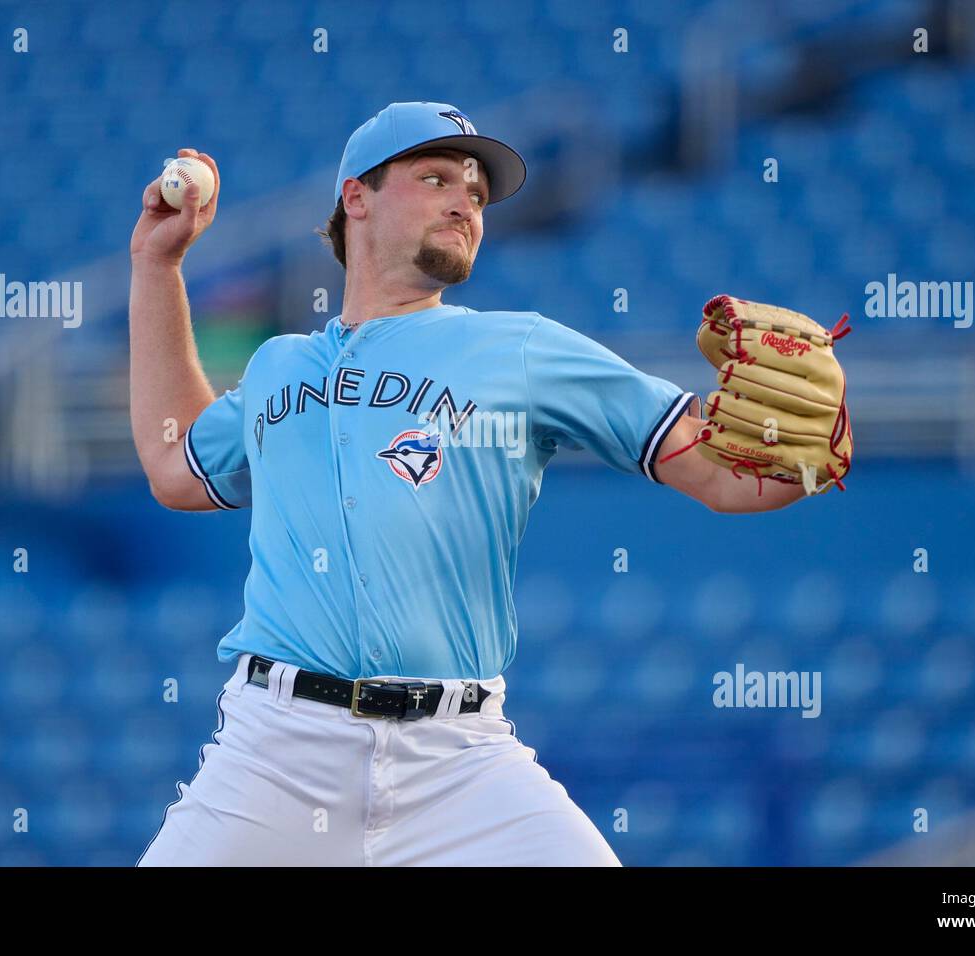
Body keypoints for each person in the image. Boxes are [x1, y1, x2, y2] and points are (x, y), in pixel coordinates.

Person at [128, 102, 808, 866]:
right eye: (436, 177)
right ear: (357, 197)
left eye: (478, 193)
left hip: (457, 760)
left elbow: (721, 475)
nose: (465, 201)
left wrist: (796, 455)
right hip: (277, 755)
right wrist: (158, 265)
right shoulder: (279, 366)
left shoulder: (518, 349)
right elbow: (172, 466)